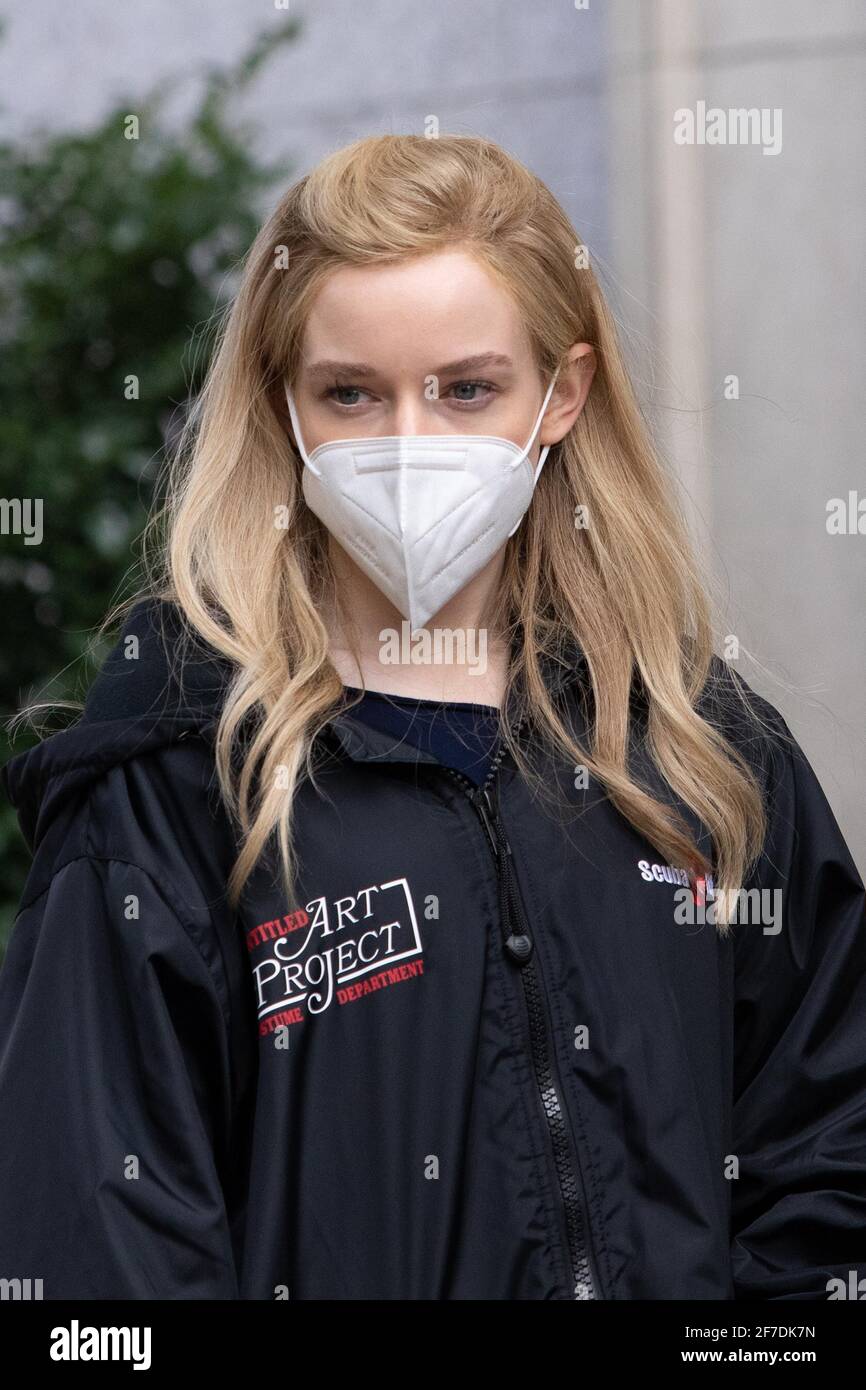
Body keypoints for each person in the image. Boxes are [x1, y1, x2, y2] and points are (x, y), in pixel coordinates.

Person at [1, 134, 864, 1301]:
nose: (410, 442)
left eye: (466, 388)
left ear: (560, 393)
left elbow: (827, 1157)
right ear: (282, 405)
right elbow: (101, 1254)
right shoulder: (174, 781)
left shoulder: (695, 749)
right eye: (350, 392)